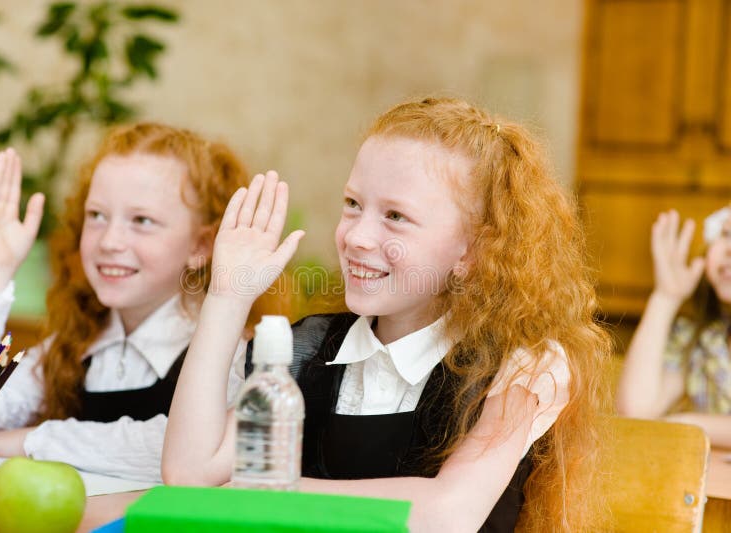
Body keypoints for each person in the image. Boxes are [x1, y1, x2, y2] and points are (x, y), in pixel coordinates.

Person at [162, 97, 611, 532]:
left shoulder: (525, 365)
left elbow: (446, 516)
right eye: (353, 204)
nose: (357, 237)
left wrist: (268, 490)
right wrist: (226, 296)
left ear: (472, 250)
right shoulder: (311, 347)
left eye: (395, 216)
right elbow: (190, 474)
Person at [0, 123, 283, 481]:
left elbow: (172, 450)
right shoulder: (71, 346)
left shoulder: (228, 356)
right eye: (97, 216)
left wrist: (32, 439)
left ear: (201, 246)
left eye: (142, 220)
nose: (109, 240)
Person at [617, 208, 731, 447]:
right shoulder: (701, 341)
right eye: (726, 234)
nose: (729, 249)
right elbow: (636, 412)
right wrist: (665, 298)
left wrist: (688, 423)